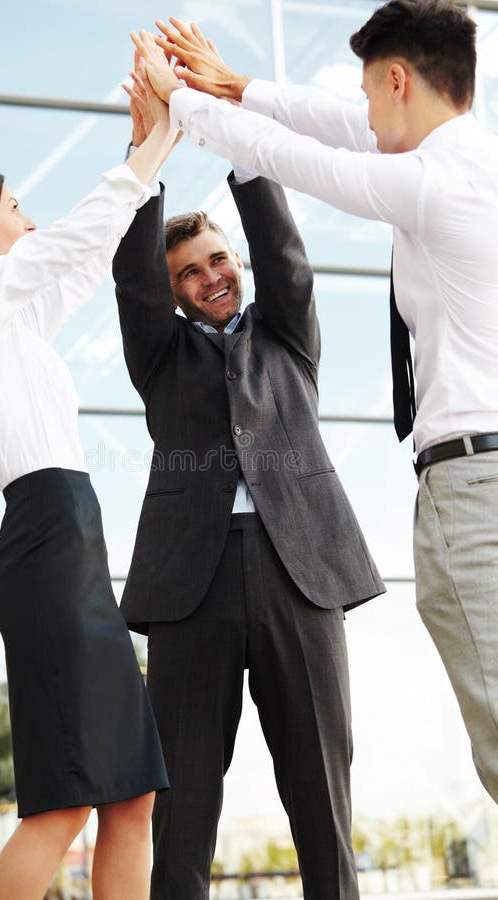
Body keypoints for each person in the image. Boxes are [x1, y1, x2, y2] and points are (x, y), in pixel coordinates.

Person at [134, 0, 498, 807]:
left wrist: (183, 102)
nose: (363, 113)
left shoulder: (436, 181)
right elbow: (333, 124)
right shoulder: (466, 159)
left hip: (477, 484)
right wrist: (240, 86)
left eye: (370, 93)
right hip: (463, 478)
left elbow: (304, 159)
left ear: (398, 79)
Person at [113, 54, 385, 900]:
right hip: (190, 586)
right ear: (178, 296)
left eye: (219, 259)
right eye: (191, 272)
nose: (212, 276)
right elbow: (133, 286)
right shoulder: (161, 359)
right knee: (182, 806)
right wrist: (147, 148)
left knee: (320, 794)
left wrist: (228, 135)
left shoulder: (287, 337)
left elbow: (287, 259)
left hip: (297, 573)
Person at [0, 76, 179, 900]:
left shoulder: (12, 318)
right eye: (16, 204)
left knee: (131, 795)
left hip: (76, 541)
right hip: (45, 541)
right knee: (64, 804)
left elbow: (86, 256)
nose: (29, 216)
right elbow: (68, 243)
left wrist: (144, 147)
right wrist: (154, 142)